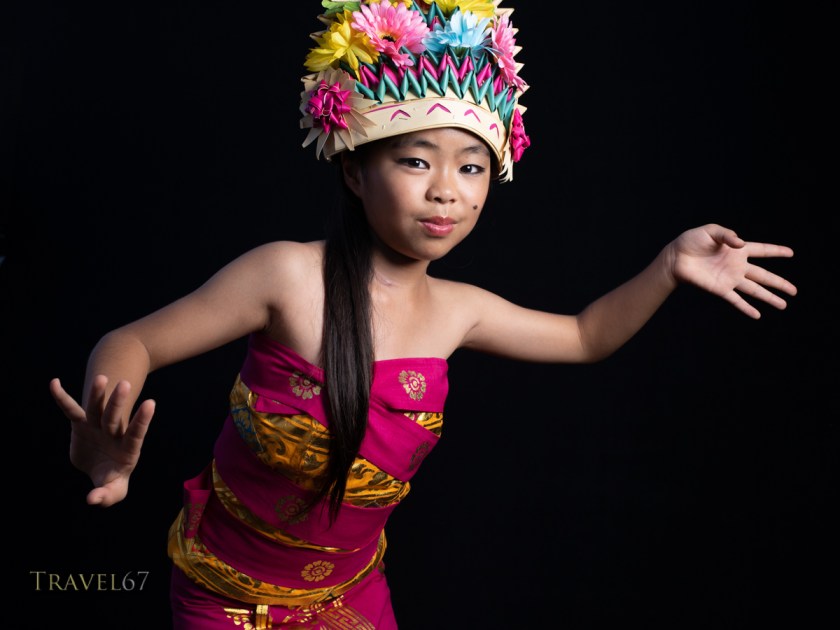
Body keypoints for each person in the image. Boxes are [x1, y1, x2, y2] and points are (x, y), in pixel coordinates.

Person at [49, 2, 797, 628]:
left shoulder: (459, 313)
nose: (447, 190)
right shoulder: (285, 275)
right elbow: (134, 341)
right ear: (353, 167)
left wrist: (668, 265)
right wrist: (106, 437)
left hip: (351, 597)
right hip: (225, 596)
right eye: (415, 161)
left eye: (471, 167)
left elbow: (585, 336)